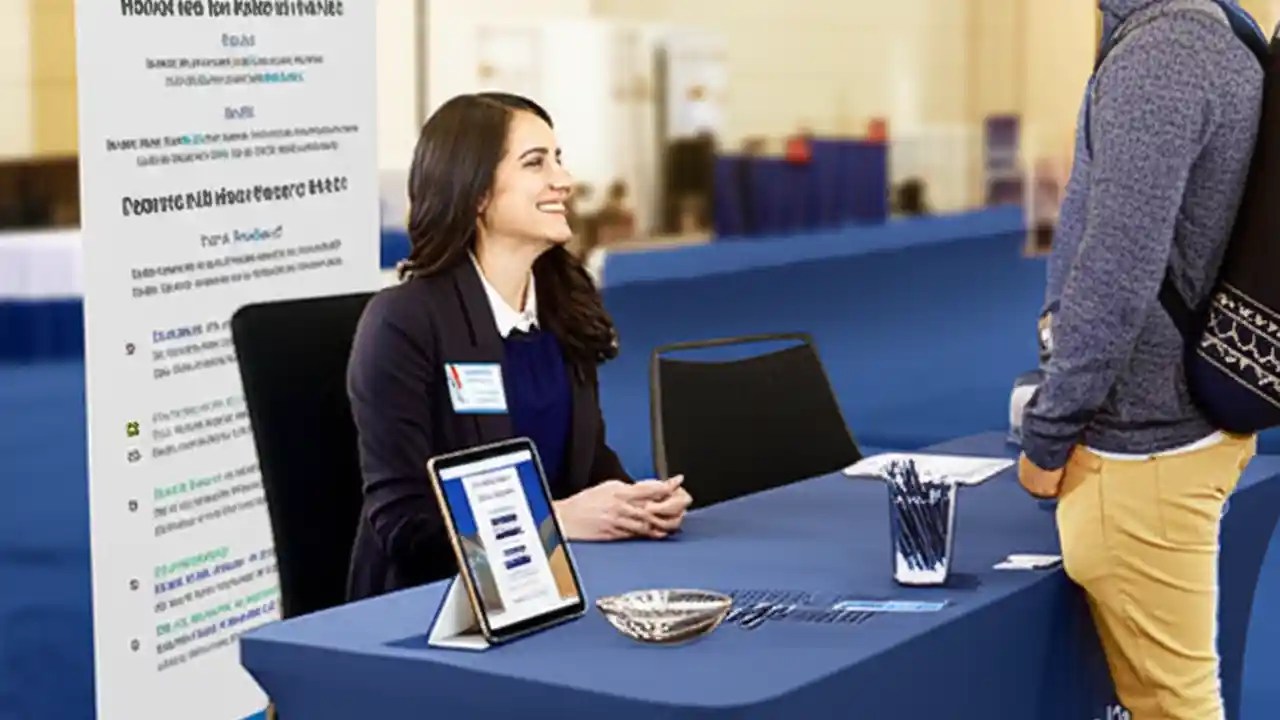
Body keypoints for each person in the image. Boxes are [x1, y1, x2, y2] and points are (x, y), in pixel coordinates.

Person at [345, 92, 692, 601]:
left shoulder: (563, 308)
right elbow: (406, 527)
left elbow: (587, 464)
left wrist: (637, 503)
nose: (563, 181)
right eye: (535, 163)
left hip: (549, 589)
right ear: (476, 192)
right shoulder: (403, 322)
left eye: (558, 159)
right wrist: (555, 519)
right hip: (433, 604)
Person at [1017, 1, 1262, 717]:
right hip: (1182, 416)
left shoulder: (1163, 55)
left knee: (1173, 706)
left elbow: (1116, 276)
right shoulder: (1209, 29)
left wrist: (1049, 431)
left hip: (1144, 443)